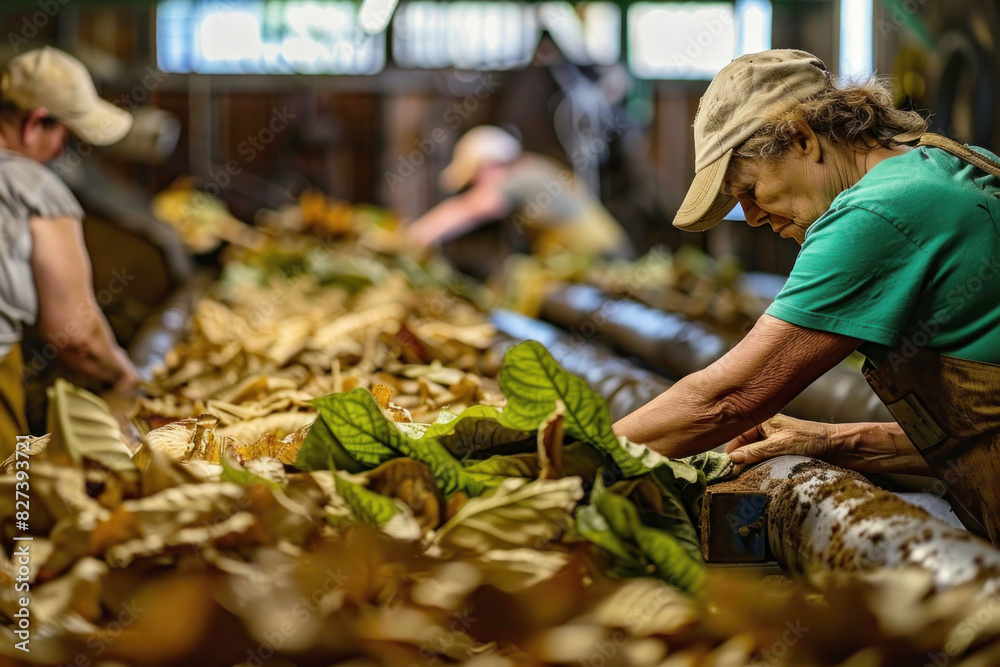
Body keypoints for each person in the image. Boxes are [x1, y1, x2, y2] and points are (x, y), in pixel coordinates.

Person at [612, 50, 1000, 542]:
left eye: (749, 189)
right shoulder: (947, 162)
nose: (751, 216)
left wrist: (573, 455)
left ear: (802, 138)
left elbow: (728, 400)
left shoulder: (876, 213)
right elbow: (982, 435)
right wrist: (840, 439)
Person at [0, 47, 137, 455]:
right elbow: (75, 334)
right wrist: (121, 374)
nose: (60, 149)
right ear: (36, 122)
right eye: (63, 134)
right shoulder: (32, 187)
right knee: (13, 510)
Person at [404, 125, 632, 269]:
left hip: (605, 261)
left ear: (491, 164)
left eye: (474, 177)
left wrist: (413, 238)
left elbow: (467, 211)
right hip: (590, 260)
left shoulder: (523, 177)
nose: (475, 185)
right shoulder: (531, 168)